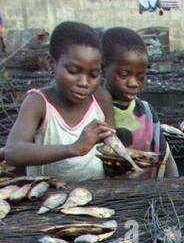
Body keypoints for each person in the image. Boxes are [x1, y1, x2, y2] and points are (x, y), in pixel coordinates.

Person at [3, 21, 114, 181]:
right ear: (51, 63)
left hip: (96, 197)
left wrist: (119, 162)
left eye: (94, 74)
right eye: (73, 71)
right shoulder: (38, 103)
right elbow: (13, 152)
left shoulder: (101, 99)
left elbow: (110, 147)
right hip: (47, 198)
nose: (84, 82)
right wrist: (74, 148)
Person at [102, 27, 179, 179]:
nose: (133, 83)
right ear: (103, 69)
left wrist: (174, 189)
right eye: (124, 74)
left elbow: (165, 159)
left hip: (146, 196)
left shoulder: (145, 111)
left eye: (141, 77)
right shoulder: (92, 111)